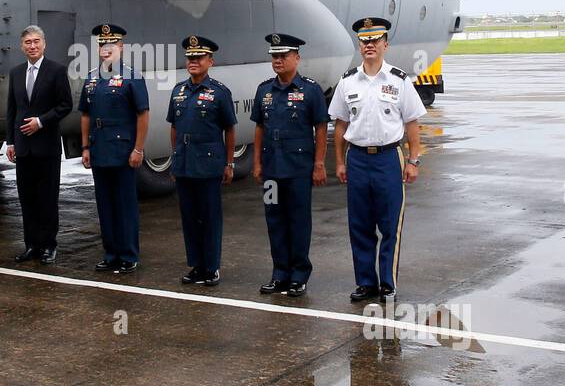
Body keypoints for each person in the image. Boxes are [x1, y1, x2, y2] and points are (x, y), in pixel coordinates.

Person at [330, 17, 425, 302]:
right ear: (359, 45)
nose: (369, 45)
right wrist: (340, 161)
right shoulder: (347, 82)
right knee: (359, 225)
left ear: (385, 44)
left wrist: (413, 160)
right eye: (364, 40)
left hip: (388, 159)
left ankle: (387, 283)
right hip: (357, 159)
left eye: (374, 40)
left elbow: (411, 124)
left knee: (389, 224)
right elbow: (341, 126)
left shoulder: (399, 80)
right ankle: (366, 283)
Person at [251, 33, 328, 297]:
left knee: (298, 220)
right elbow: (260, 127)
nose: (278, 60)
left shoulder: (310, 89)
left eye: (283, 56)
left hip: (297, 169)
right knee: (274, 219)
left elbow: (320, 127)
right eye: (274, 56)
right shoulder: (264, 90)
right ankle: (279, 273)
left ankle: (298, 275)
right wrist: (257, 163)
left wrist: (319, 164)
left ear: (297, 57)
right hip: (272, 169)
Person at [79, 24, 149, 273]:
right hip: (99, 149)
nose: (105, 49)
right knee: (105, 204)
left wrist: (138, 149)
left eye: (110, 44)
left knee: (125, 204)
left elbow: (143, 115)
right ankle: (111, 254)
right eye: (101, 44)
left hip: (122, 150)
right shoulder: (91, 77)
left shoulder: (132, 77)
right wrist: (85, 146)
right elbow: (85, 114)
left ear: (120, 47)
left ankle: (129, 255)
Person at [167, 35, 236, 286]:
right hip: (184, 164)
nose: (193, 61)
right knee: (189, 217)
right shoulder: (178, 91)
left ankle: (211, 267)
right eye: (190, 57)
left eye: (199, 58)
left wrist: (229, 163)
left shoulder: (219, 92)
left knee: (209, 217)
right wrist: (175, 157)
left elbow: (229, 129)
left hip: (208, 165)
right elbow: (174, 127)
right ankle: (196, 265)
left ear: (210, 61)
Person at [6, 25, 73, 264]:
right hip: (23, 148)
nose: (32, 46)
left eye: (36, 42)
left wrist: (41, 122)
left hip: (47, 147)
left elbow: (66, 105)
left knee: (47, 199)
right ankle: (31, 245)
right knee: (27, 199)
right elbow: (12, 110)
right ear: (21, 46)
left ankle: (48, 246)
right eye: (28, 42)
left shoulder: (56, 71)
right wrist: (10, 142)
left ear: (44, 44)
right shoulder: (15, 73)